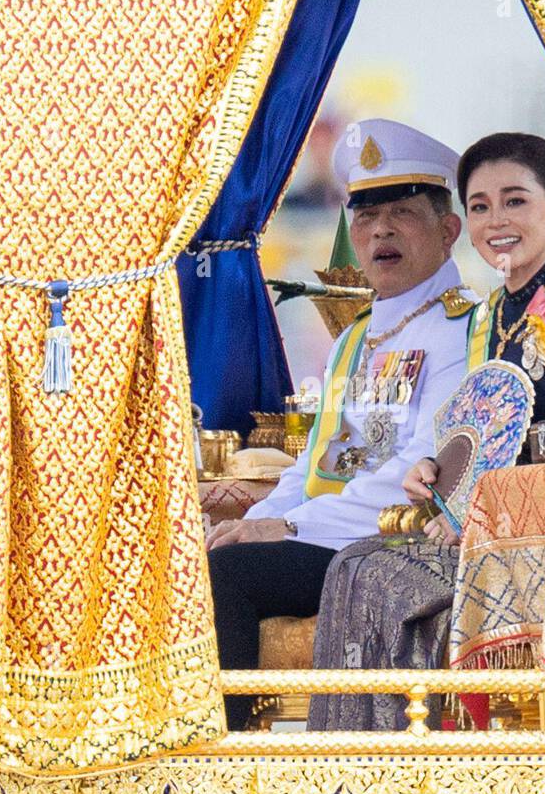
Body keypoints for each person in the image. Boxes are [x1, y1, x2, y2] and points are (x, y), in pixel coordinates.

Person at [308, 133, 545, 731]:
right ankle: (361, 766)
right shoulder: (492, 314)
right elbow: (478, 438)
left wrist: (488, 515)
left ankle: (415, 756)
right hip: (483, 535)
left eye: (516, 201)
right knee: (353, 565)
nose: (497, 221)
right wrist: (433, 476)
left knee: (376, 574)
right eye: (481, 206)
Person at [205, 119, 490, 729]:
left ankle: (222, 758)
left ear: (449, 230)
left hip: (386, 545)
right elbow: (313, 466)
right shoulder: (356, 337)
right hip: (322, 536)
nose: (380, 229)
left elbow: (422, 469)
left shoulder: (467, 329)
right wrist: (256, 523)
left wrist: (288, 527)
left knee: (225, 578)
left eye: (401, 212)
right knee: (208, 554)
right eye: (363, 214)